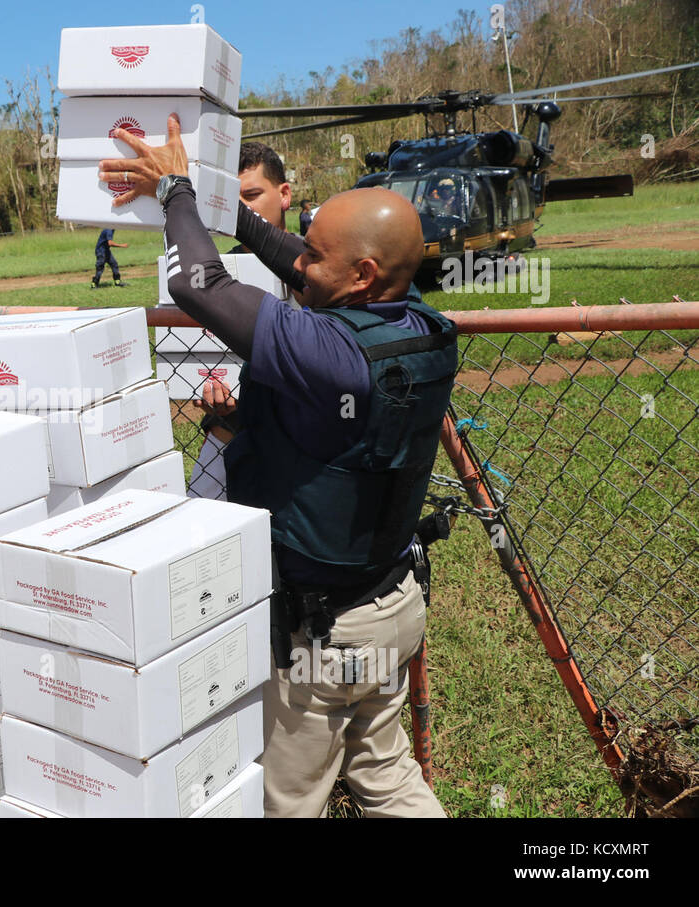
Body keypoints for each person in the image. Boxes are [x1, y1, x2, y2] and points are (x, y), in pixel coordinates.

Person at [101, 114, 456, 818]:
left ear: (361, 275)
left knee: (288, 801)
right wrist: (214, 199)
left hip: (323, 638)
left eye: (316, 257)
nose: (299, 263)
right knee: (388, 776)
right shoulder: (421, 327)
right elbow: (287, 251)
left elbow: (199, 285)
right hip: (392, 604)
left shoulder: (326, 355)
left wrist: (175, 193)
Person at [189, 142, 295, 501]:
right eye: (231, 200)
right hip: (230, 425)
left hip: (300, 426)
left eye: (252, 195)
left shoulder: (316, 266)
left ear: (284, 194)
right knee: (201, 512)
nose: (242, 209)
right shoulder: (216, 272)